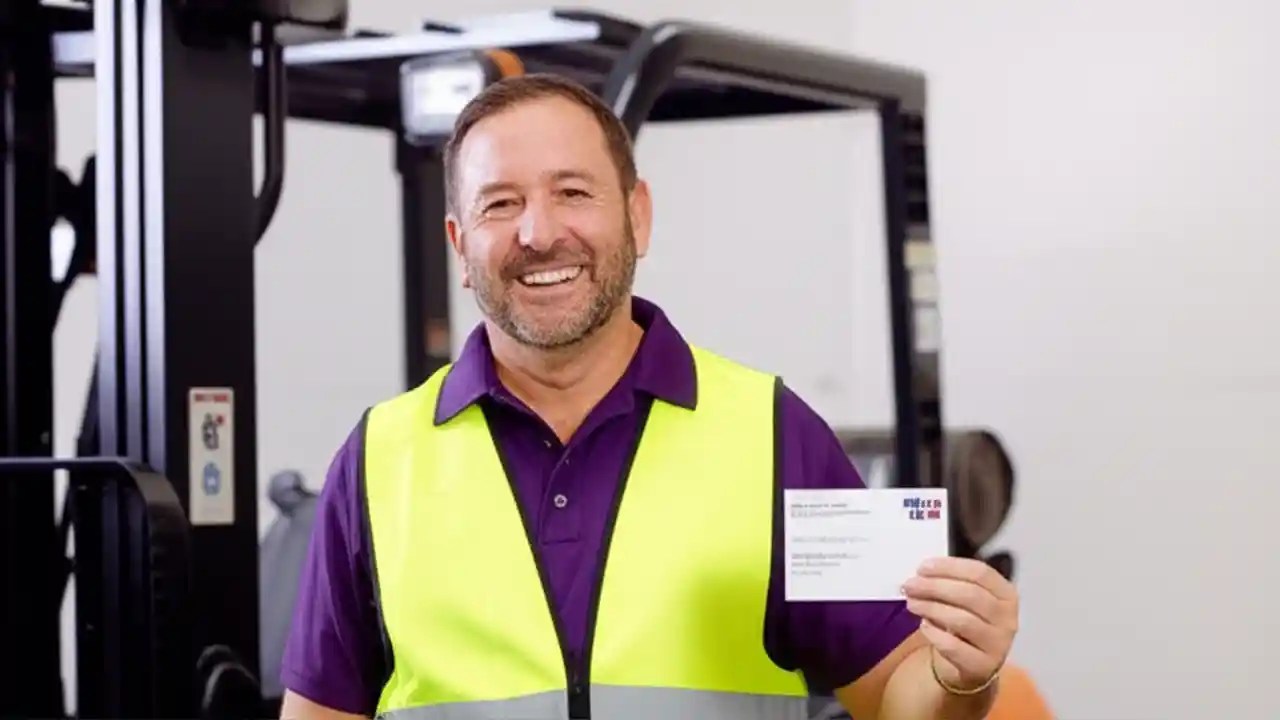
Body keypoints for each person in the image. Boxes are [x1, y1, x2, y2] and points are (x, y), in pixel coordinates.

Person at [278, 73, 1021, 720]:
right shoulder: (378, 458)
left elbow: (898, 696)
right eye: (499, 204)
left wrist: (966, 677)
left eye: (573, 192)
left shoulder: (774, 433)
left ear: (638, 216)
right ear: (459, 244)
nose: (538, 233)